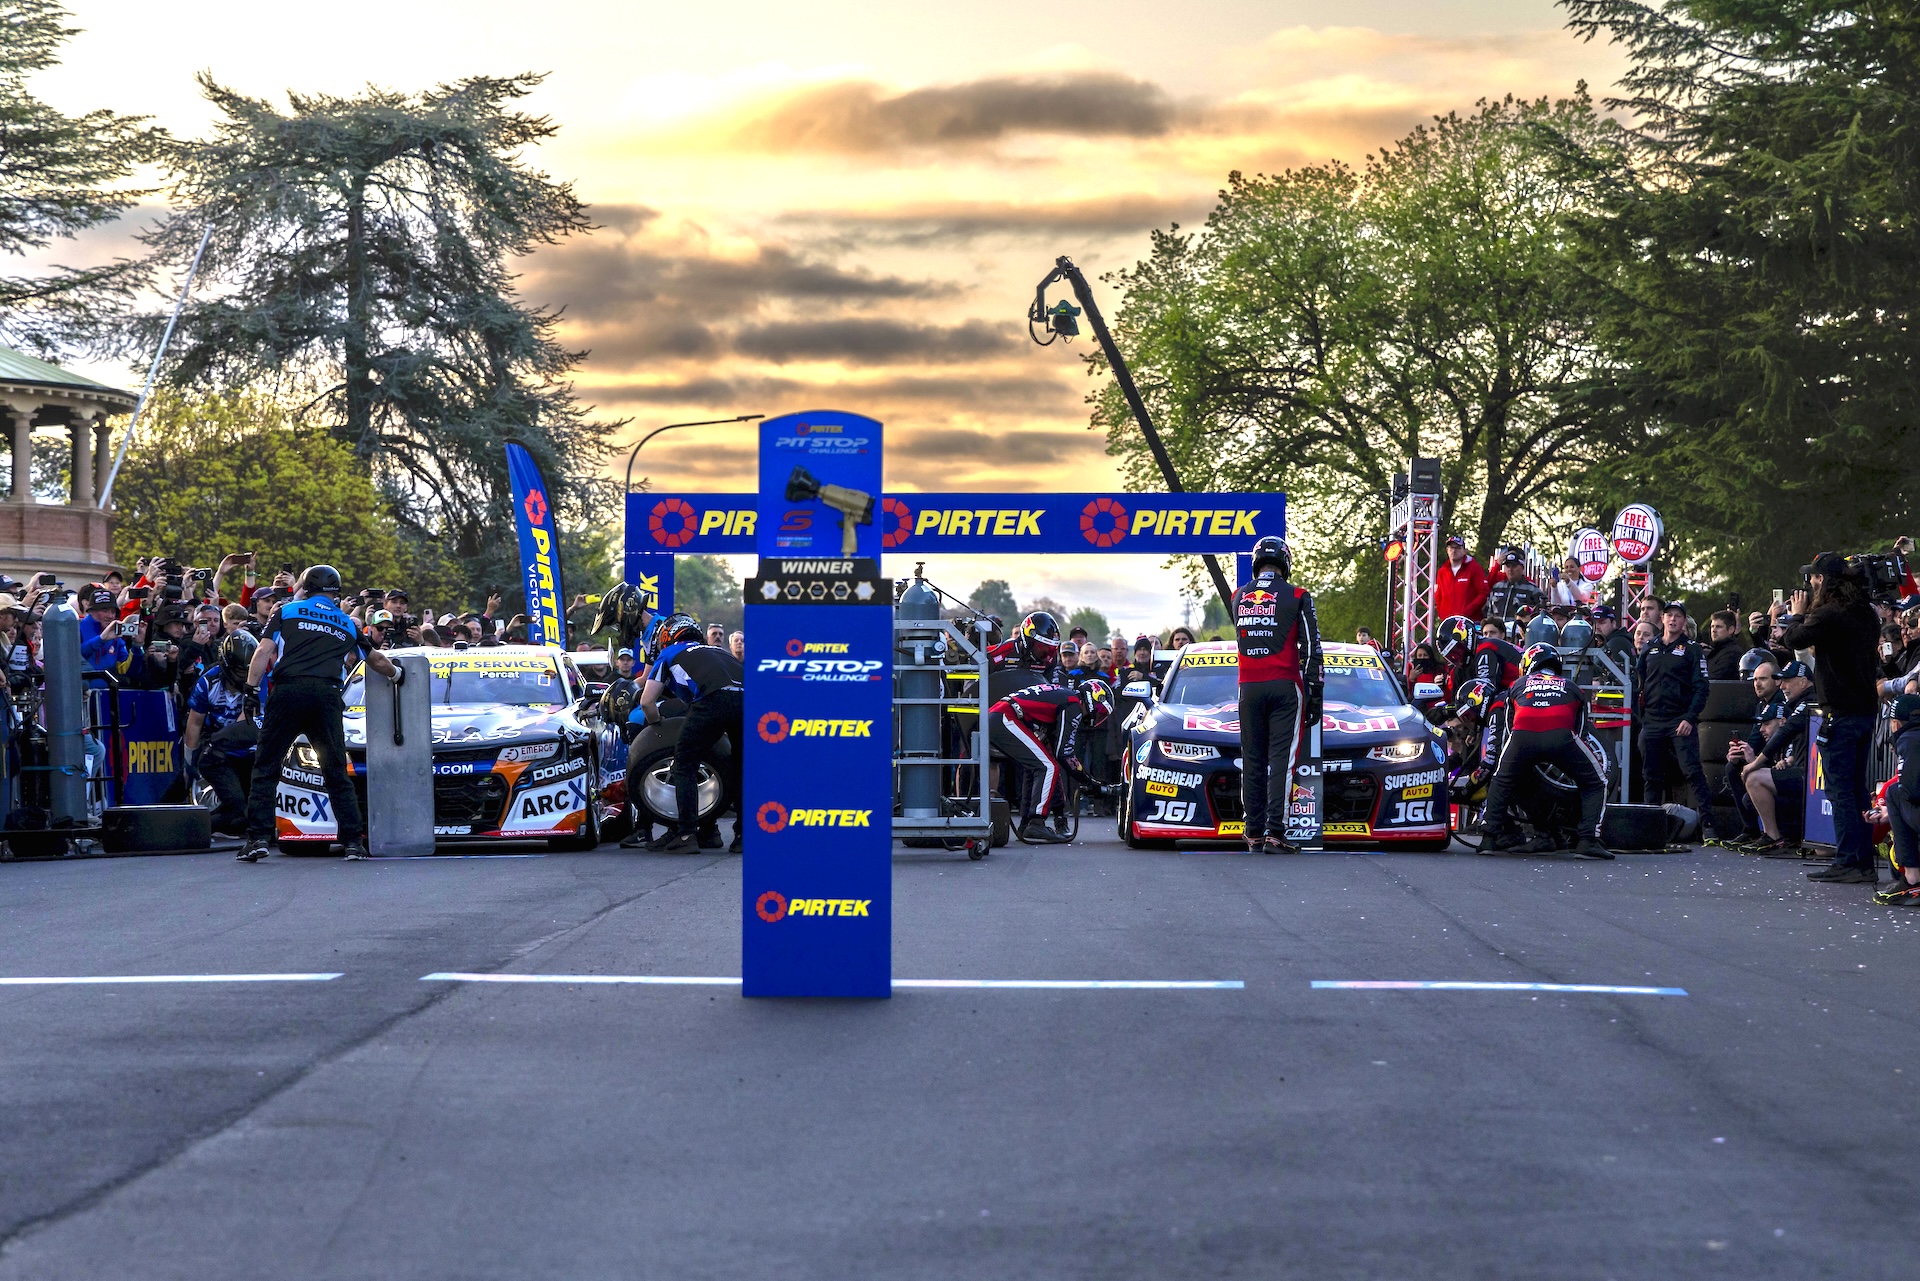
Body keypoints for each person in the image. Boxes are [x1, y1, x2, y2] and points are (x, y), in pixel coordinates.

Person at [238, 566, 400, 863]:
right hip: (326, 696)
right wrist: (398, 674)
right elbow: (375, 659)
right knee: (335, 771)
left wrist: (250, 691)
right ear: (335, 592)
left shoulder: (287, 611)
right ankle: (353, 842)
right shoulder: (347, 622)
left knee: (266, 767)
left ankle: (258, 839)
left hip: (288, 692)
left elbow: (262, 652)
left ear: (307, 587)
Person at [1786, 552, 1883, 885]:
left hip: (1839, 712)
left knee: (1840, 790)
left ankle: (1847, 861)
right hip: (1864, 711)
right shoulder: (1865, 614)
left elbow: (1794, 639)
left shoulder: (1829, 613)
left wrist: (1797, 616)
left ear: (1823, 580)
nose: (1810, 584)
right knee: (1856, 789)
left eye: (1813, 578)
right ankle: (1863, 862)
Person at [1232, 536, 1322, 853]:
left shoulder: (1238, 596)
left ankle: (1252, 831)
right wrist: (1315, 692)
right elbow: (1312, 648)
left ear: (1257, 561)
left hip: (1248, 688)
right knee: (1281, 762)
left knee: (1252, 760)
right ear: (1285, 562)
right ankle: (1275, 832)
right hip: (1285, 686)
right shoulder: (1298, 595)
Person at [1482, 644, 1611, 857]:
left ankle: (1488, 839)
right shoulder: (1571, 686)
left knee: (1501, 780)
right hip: (1561, 736)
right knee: (1597, 782)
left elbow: (1508, 727)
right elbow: (1581, 733)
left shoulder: (1517, 684)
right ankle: (1587, 840)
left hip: (1521, 737)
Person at [631, 613, 744, 855]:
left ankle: (686, 833)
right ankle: (743, 835)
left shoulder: (669, 653)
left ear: (667, 637)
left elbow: (647, 701)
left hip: (712, 699)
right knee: (740, 767)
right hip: (748, 700)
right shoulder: (722, 652)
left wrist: (656, 728)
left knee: (684, 763)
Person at [1635, 601, 1730, 839]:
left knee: (1692, 772)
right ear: (1663, 620)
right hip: (1653, 720)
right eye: (1669, 615)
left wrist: (1690, 718)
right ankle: (1650, 827)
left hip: (1680, 720)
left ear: (1683, 621)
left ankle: (1708, 827)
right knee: (1651, 775)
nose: (1673, 620)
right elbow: (1640, 681)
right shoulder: (1650, 647)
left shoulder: (1692, 649)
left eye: (1678, 616)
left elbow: (1702, 688)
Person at [985, 678, 1113, 843]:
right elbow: (1065, 754)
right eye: (1100, 711)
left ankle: (1026, 822)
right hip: (1006, 717)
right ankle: (1036, 822)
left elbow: (1057, 752)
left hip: (999, 715)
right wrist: (1089, 782)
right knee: (1048, 767)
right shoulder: (1073, 704)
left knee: (1039, 765)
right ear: (1092, 698)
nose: (1097, 715)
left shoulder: (1063, 697)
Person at [1732, 661, 1814, 852]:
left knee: (1753, 777)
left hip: (1811, 779)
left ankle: (1773, 836)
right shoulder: (1796, 705)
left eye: (1787, 681)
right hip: (1806, 775)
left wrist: (1754, 764)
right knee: (1744, 781)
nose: (1782, 686)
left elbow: (1784, 733)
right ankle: (1780, 835)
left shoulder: (1808, 703)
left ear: (1803, 682)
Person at [185, 631, 259, 835]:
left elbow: (246, 721)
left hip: (248, 750)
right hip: (218, 754)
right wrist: (189, 761)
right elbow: (194, 723)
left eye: (249, 670)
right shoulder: (207, 682)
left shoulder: (258, 681)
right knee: (237, 810)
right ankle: (190, 828)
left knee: (252, 814)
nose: (245, 677)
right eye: (240, 671)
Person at [1873, 695, 1920, 906]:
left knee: (1893, 793)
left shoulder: (1909, 738)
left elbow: (1910, 790)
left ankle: (1912, 880)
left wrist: (1889, 812)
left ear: (1895, 722)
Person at [1434, 534, 1490, 623]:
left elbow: (1483, 593)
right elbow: (1438, 596)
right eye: (1451, 548)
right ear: (1447, 550)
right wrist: (1442, 614)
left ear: (1464, 550)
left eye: (1457, 548)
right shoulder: (1442, 571)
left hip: (1469, 621)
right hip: (1448, 622)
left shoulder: (1474, 568)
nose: (1453, 551)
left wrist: (1467, 611)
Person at [1484, 553, 1545, 633]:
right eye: (1508, 566)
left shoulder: (1532, 589)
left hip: (1519, 633)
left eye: (1514, 566)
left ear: (1522, 568)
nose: (1510, 569)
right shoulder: (1497, 587)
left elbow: (1540, 614)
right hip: (1497, 633)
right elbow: (1488, 612)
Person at [1704, 609, 1746, 680]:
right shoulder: (1716, 652)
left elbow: (1715, 680)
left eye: (1718, 627)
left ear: (1731, 629)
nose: (1713, 630)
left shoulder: (1732, 653)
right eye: (1712, 626)